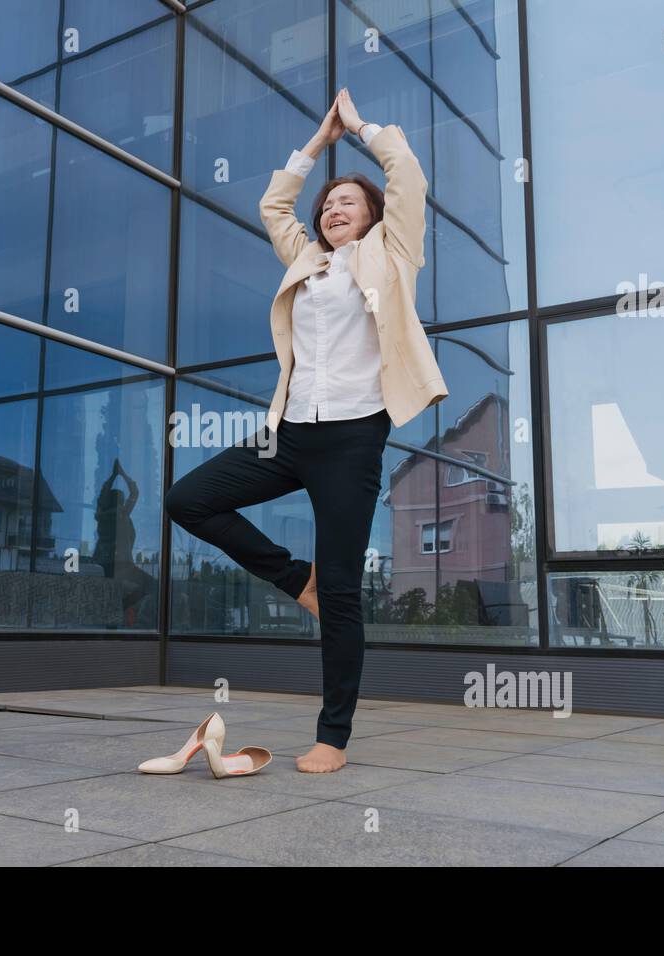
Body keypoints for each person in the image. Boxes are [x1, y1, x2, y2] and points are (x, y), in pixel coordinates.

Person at [165, 89, 447, 772]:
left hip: (352, 437)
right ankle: (299, 581)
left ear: (373, 215)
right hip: (288, 433)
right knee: (188, 500)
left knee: (345, 590)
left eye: (346, 202)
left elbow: (406, 172)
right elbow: (272, 207)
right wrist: (315, 146)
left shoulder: (392, 250)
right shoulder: (308, 260)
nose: (332, 209)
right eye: (327, 205)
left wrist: (360, 128)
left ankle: (333, 735)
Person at [93, 458, 154, 626]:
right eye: (121, 499)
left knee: (144, 588)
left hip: (116, 561)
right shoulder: (113, 514)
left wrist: (117, 475)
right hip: (116, 561)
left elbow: (131, 493)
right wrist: (119, 475)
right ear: (117, 502)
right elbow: (131, 493)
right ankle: (117, 610)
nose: (123, 502)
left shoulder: (115, 514)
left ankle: (115, 612)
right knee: (151, 586)